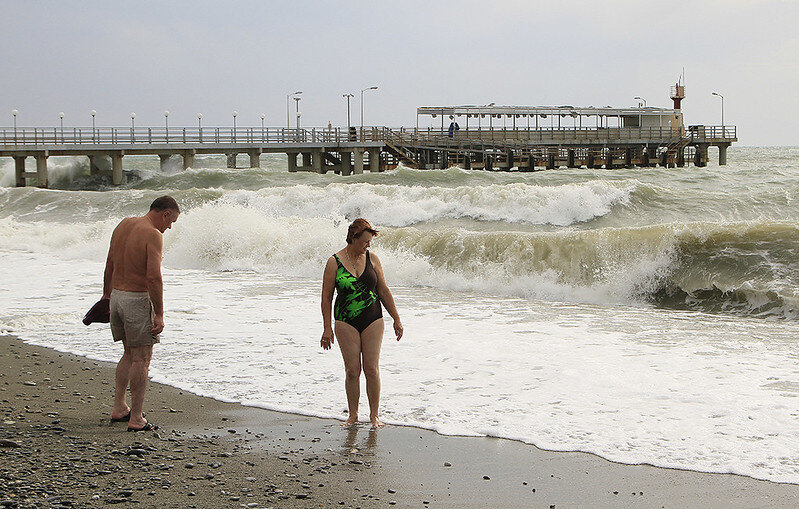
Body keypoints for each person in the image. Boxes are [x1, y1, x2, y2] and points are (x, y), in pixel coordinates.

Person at [104, 196, 180, 431]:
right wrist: (159, 314)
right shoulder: (153, 234)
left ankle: (120, 408)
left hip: (117, 296)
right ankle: (136, 418)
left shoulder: (124, 224)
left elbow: (109, 263)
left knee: (128, 353)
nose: (169, 228)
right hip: (136, 300)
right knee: (141, 359)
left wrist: (106, 296)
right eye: (171, 222)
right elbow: (153, 277)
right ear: (165, 214)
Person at [321, 218, 403, 428]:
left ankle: (374, 416)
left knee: (371, 369)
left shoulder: (372, 259)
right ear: (353, 237)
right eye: (365, 241)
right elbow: (326, 297)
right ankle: (353, 415)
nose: (368, 245)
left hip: (373, 318)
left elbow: (383, 290)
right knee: (352, 370)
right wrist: (327, 328)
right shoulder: (334, 262)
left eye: (369, 242)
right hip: (345, 320)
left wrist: (396, 318)